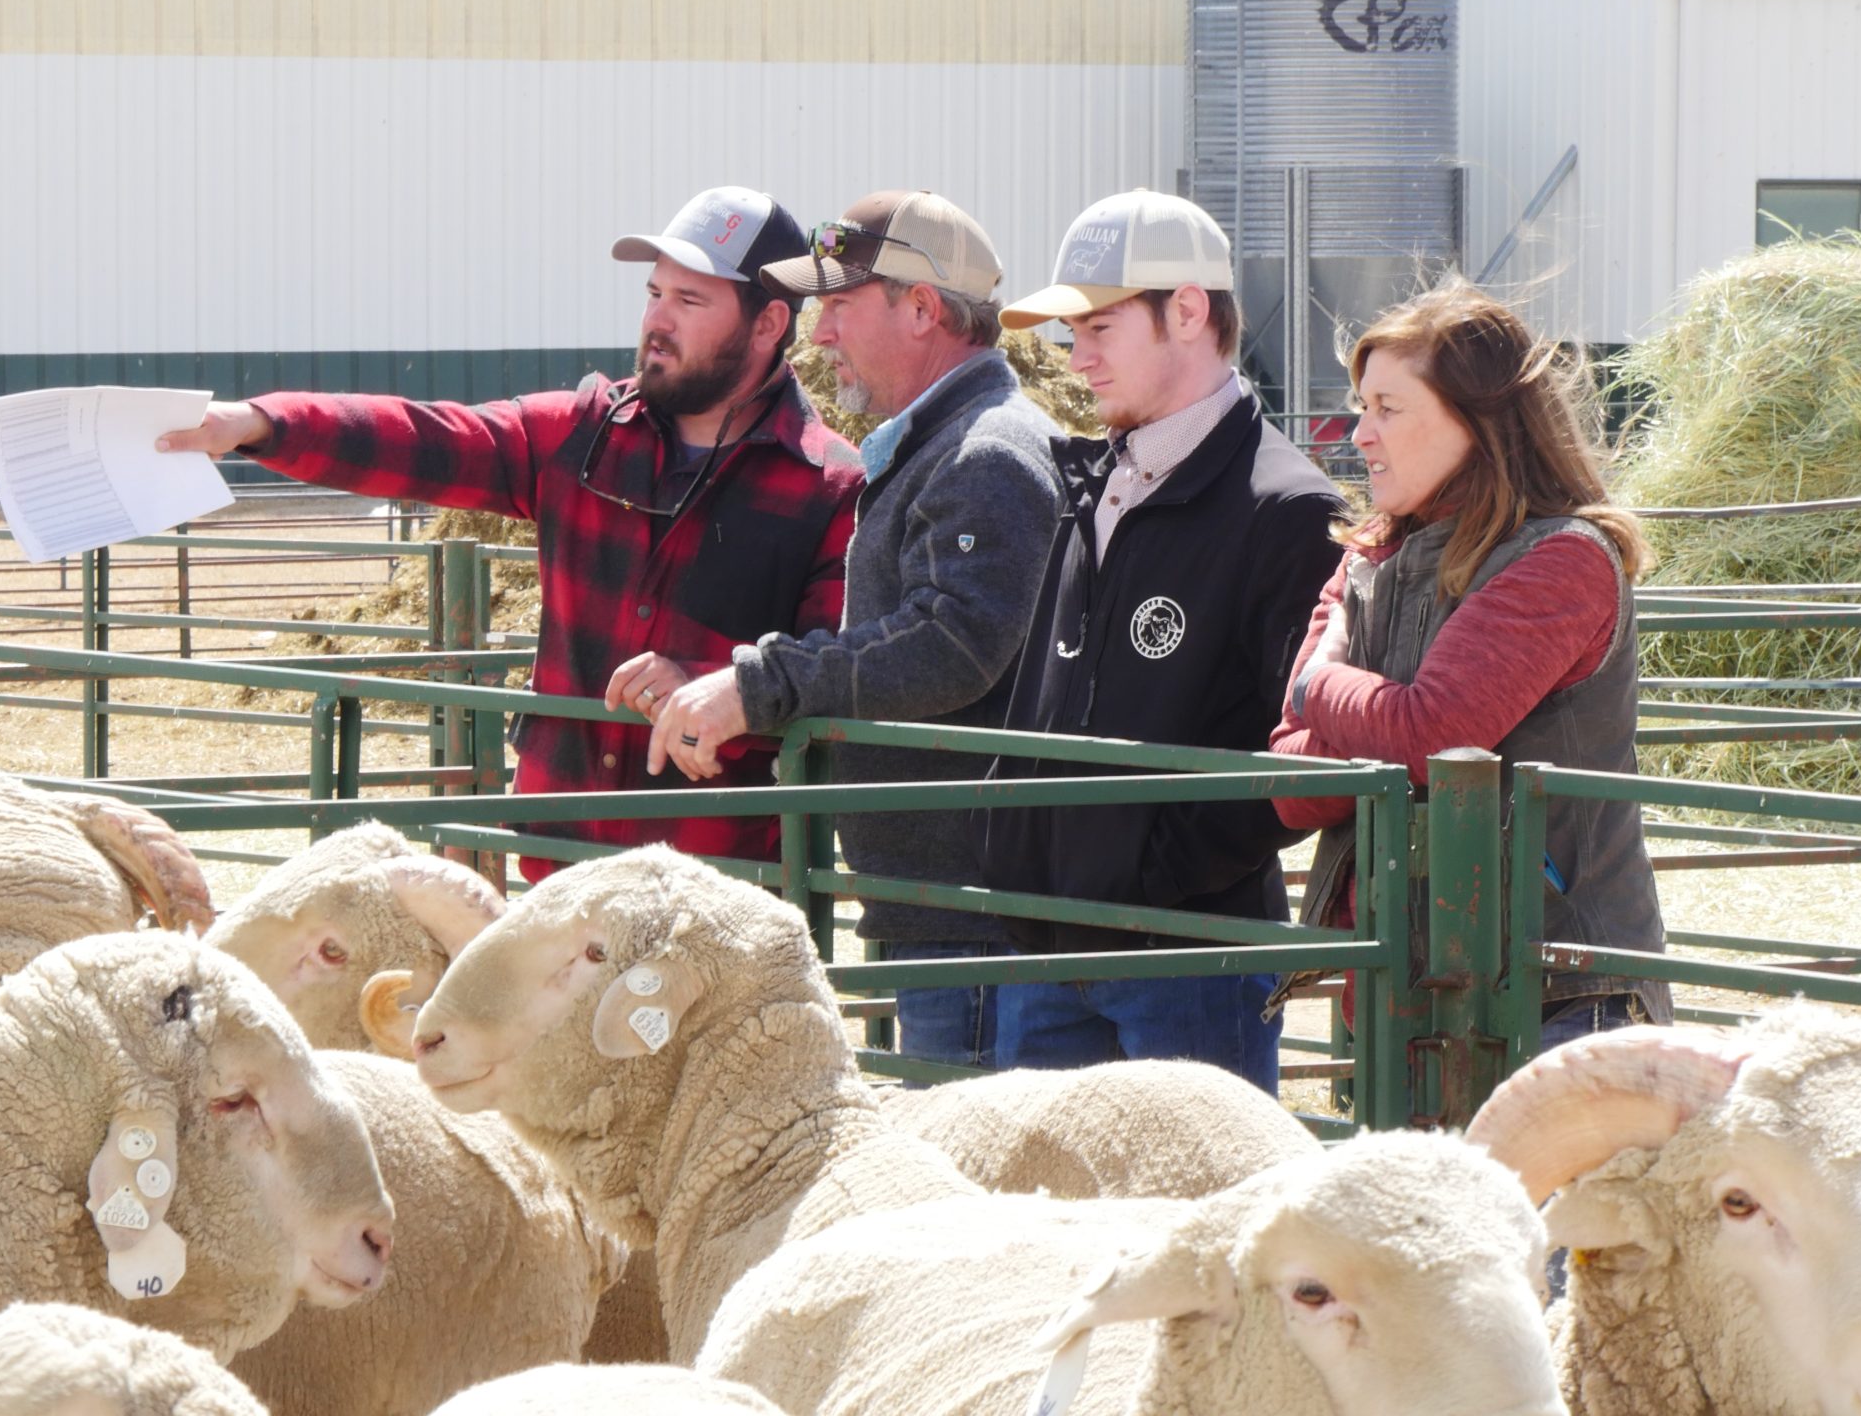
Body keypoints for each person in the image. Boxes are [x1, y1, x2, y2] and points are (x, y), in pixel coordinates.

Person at [155, 188, 861, 881]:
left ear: (769, 323)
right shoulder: (584, 435)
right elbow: (427, 439)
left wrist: (714, 685)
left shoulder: (829, 487)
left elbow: (835, 670)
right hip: (559, 868)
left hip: (713, 880)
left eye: (689, 301)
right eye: (653, 293)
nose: (657, 321)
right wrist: (258, 424)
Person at [608, 190, 1062, 1071]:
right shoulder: (944, 446)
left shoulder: (986, 455)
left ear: (923, 309)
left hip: (969, 912)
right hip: (943, 903)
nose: (818, 337)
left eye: (841, 307)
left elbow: (953, 641)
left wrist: (759, 684)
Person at [971, 190, 1346, 1092]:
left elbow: (1296, 746)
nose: (1077, 355)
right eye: (1073, 329)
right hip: (1049, 933)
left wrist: (1148, 876)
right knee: (1048, 1223)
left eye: (1099, 326)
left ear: (1186, 309)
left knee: (1194, 1219)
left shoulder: (1287, 509)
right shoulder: (1091, 475)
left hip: (1185, 954)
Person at [1267, 280, 1669, 1046]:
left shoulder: (1562, 559)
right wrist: (1371, 720)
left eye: (1388, 408)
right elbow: (1292, 785)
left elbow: (1434, 733)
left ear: (1480, 423)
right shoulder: (1370, 557)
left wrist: (1319, 682)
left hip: (1557, 996)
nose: (1359, 435)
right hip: (1403, 992)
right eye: (1361, 406)